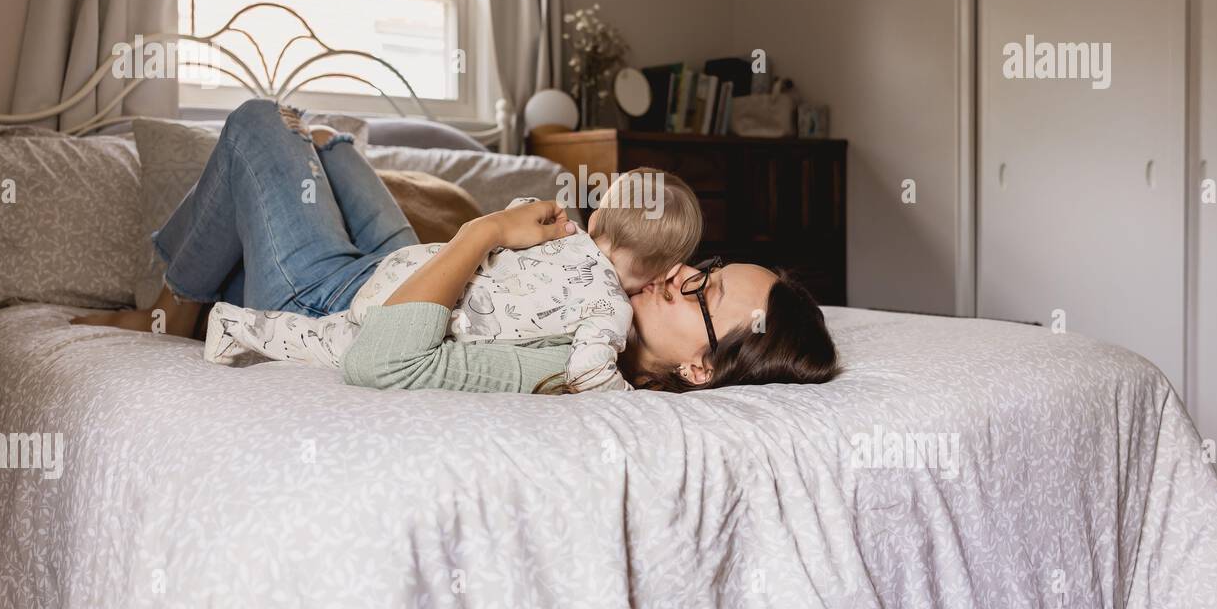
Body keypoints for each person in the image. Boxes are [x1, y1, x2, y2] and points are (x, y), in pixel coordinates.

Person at [75, 99, 840, 393]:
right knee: (328, 141)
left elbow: (382, 360)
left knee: (253, 125)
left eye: (703, 292)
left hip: (338, 298)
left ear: (701, 367)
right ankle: (218, 267)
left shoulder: (575, 357)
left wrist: (483, 232)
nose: (681, 276)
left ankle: (174, 307)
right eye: (701, 268)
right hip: (393, 264)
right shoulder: (594, 266)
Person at [202, 168, 705, 393]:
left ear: (599, 218)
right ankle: (235, 324)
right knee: (325, 340)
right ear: (659, 269)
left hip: (408, 268)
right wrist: (620, 396)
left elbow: (508, 220)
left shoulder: (559, 228)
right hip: (409, 306)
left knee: (287, 137)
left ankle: (329, 146)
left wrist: (500, 224)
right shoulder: (607, 307)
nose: (683, 278)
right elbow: (590, 371)